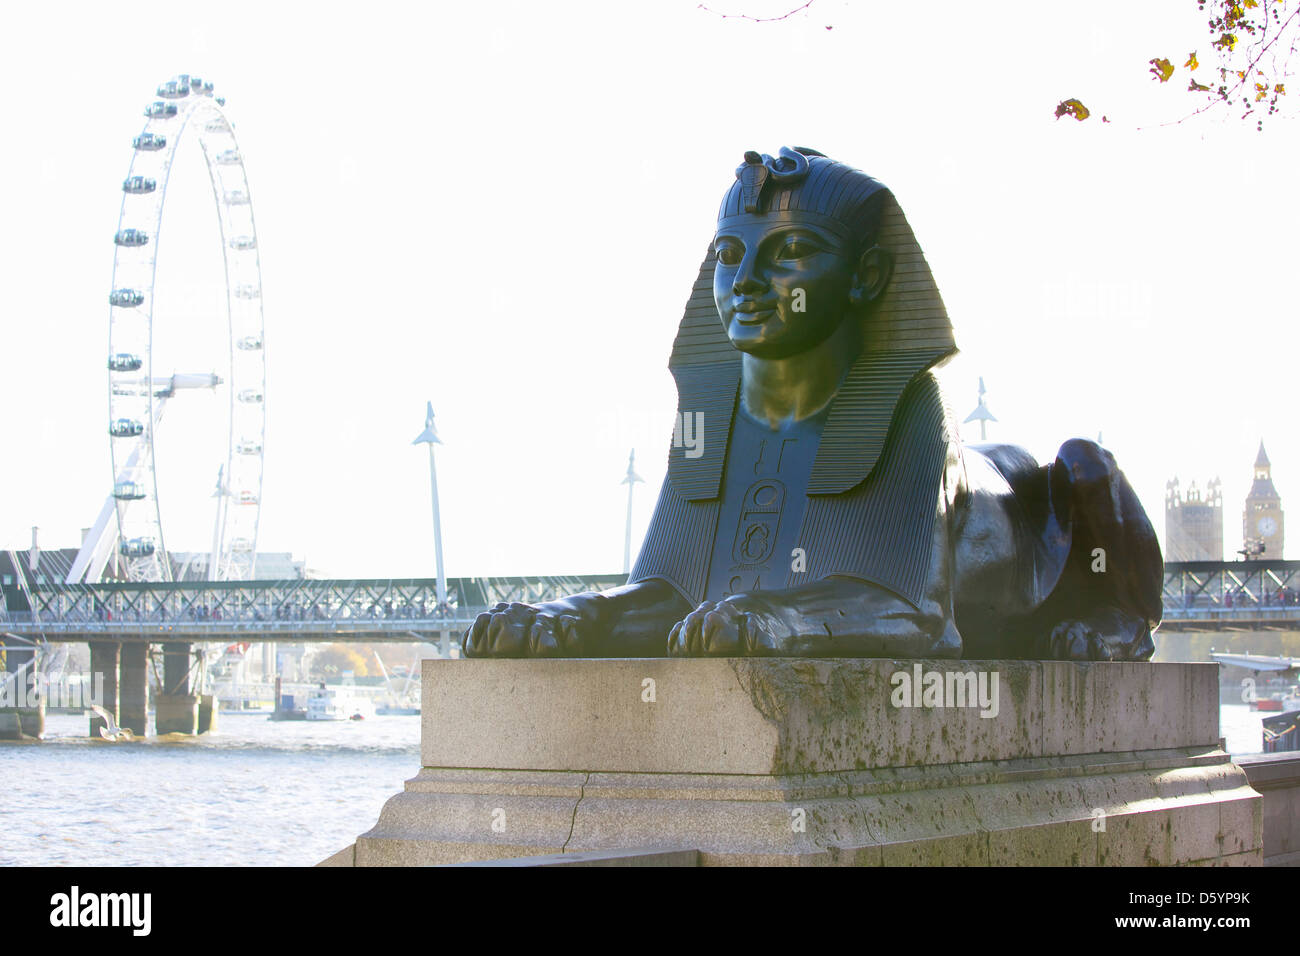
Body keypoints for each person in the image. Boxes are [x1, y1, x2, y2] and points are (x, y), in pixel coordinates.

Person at [464, 147, 1161, 661]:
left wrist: (784, 620)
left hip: (1037, 538)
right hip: (766, 587)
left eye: (790, 252)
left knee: (1084, 464)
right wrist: (573, 616)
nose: (747, 281)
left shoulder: (909, 407)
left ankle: (1122, 616)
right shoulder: (707, 419)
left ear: (868, 274)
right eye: (731, 254)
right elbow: (670, 594)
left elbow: (916, 614)